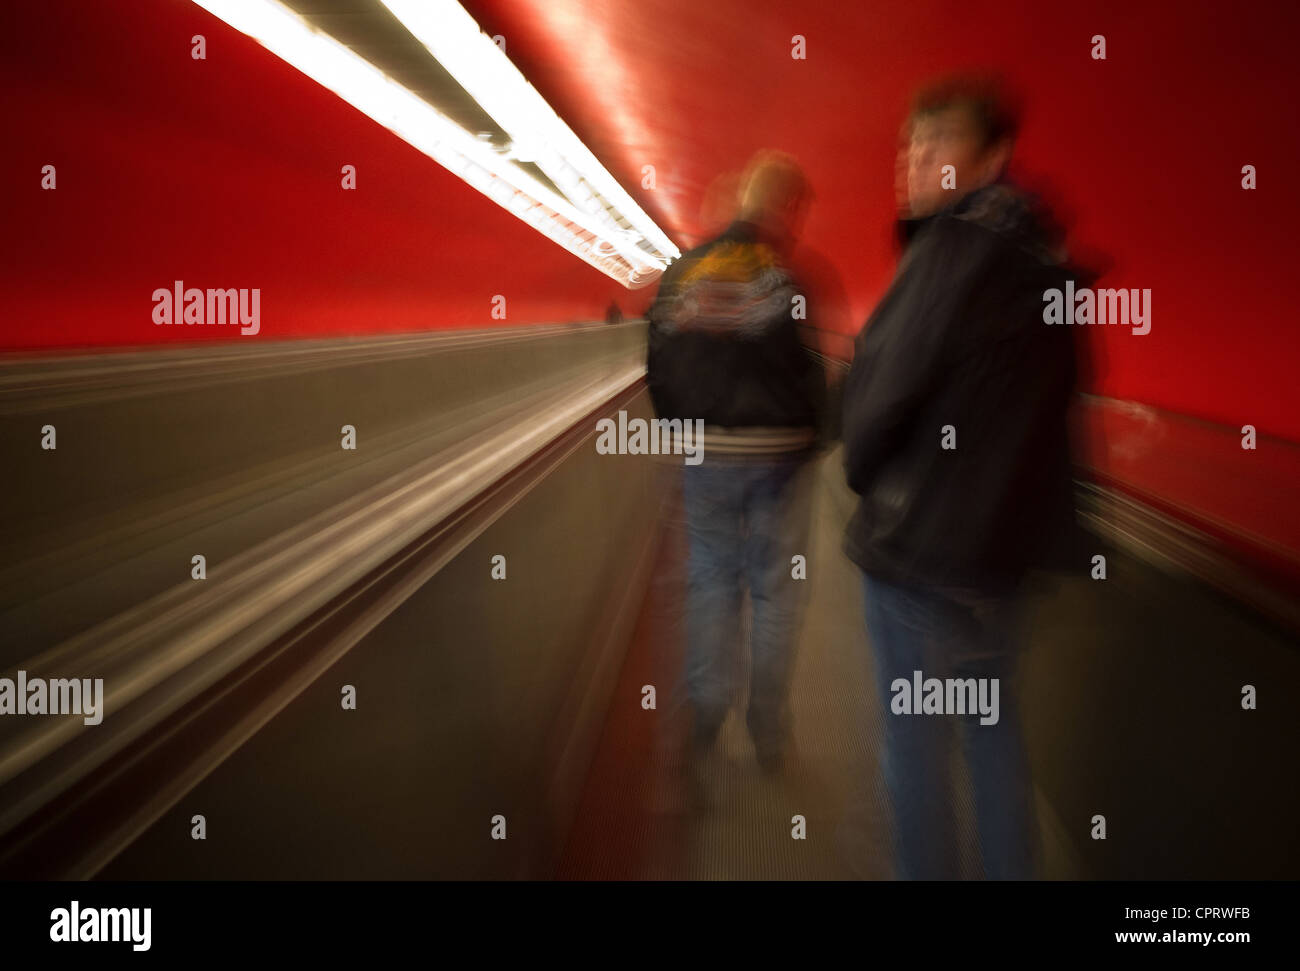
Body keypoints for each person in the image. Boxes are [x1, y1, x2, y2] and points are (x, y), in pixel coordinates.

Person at [841, 76, 1084, 878]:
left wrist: (863, 471)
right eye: (908, 143)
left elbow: (879, 393)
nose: (912, 159)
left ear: (993, 157)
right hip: (998, 565)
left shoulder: (952, 247)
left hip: (923, 553)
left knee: (914, 749)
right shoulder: (1045, 263)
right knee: (992, 737)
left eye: (936, 142)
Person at [646, 150, 827, 779]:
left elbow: (660, 366)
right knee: (774, 593)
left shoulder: (684, 272)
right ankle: (768, 730)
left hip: (709, 454)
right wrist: (810, 437)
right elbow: (813, 371)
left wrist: (682, 427)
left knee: (711, 581)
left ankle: (702, 722)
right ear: (782, 205)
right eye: (797, 209)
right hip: (778, 455)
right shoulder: (789, 279)